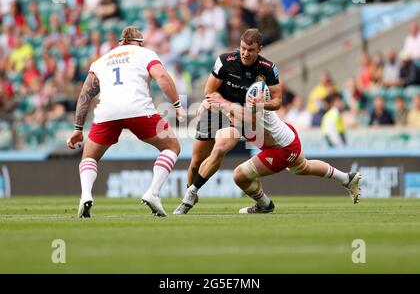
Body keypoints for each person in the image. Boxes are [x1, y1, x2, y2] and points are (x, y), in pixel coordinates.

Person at [66, 26, 186, 218]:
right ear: (139, 42)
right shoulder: (145, 53)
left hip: (107, 112)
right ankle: (153, 193)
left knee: (88, 157)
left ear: (121, 42)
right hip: (138, 108)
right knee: (172, 147)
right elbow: (162, 76)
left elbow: (85, 94)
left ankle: (86, 195)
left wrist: (78, 128)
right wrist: (177, 104)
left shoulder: (101, 61)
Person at [173, 28, 282, 214]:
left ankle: (189, 196)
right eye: (243, 48)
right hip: (216, 110)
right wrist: (223, 105)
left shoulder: (268, 68)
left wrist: (262, 104)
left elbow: (278, 101)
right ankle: (191, 190)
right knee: (196, 163)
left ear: (260, 49)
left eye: (251, 50)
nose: (245, 53)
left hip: (240, 116)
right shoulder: (225, 61)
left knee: (221, 148)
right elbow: (209, 91)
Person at [205, 84, 361, 213]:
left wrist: (223, 104)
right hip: (287, 138)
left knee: (239, 175)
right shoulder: (242, 106)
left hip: (283, 148)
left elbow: (245, 116)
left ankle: (264, 205)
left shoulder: (254, 108)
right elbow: (233, 115)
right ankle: (347, 178)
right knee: (303, 167)